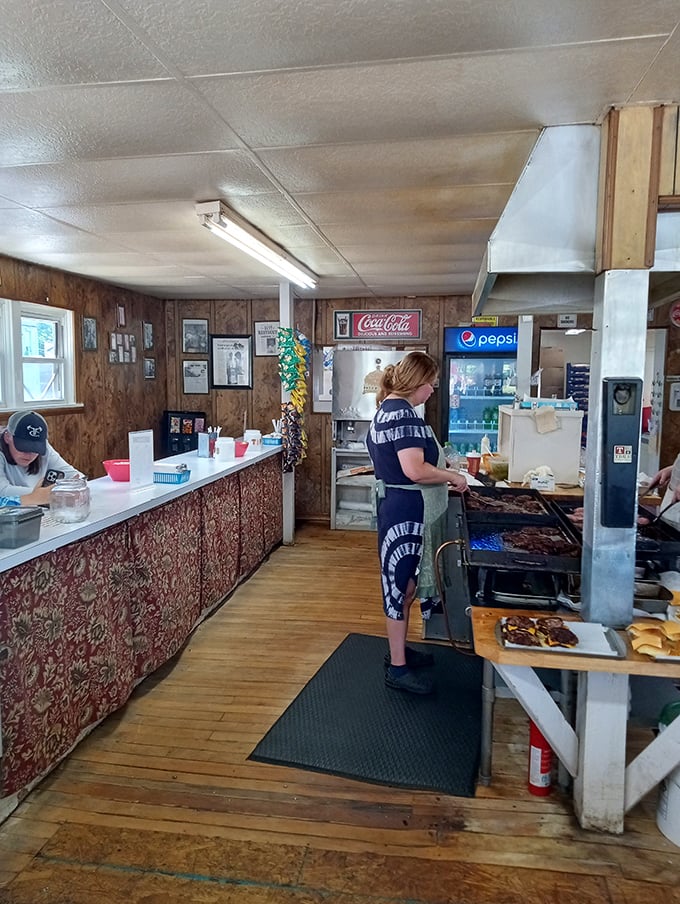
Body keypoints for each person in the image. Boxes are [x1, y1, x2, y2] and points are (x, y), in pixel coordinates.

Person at [367, 352, 469, 695]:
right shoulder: (404, 416)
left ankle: (399, 652)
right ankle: (397, 668)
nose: (432, 392)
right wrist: (451, 475)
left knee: (404, 586)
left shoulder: (386, 409)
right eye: (432, 385)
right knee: (399, 587)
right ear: (418, 383)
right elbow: (415, 469)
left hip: (395, 505)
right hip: (406, 508)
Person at [0, 411, 81, 506]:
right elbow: (2, 492)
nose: (29, 455)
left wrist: (75, 488)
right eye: (23, 448)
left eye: (35, 449)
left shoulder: (45, 447)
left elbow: (74, 476)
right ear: (7, 437)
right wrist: (43, 495)